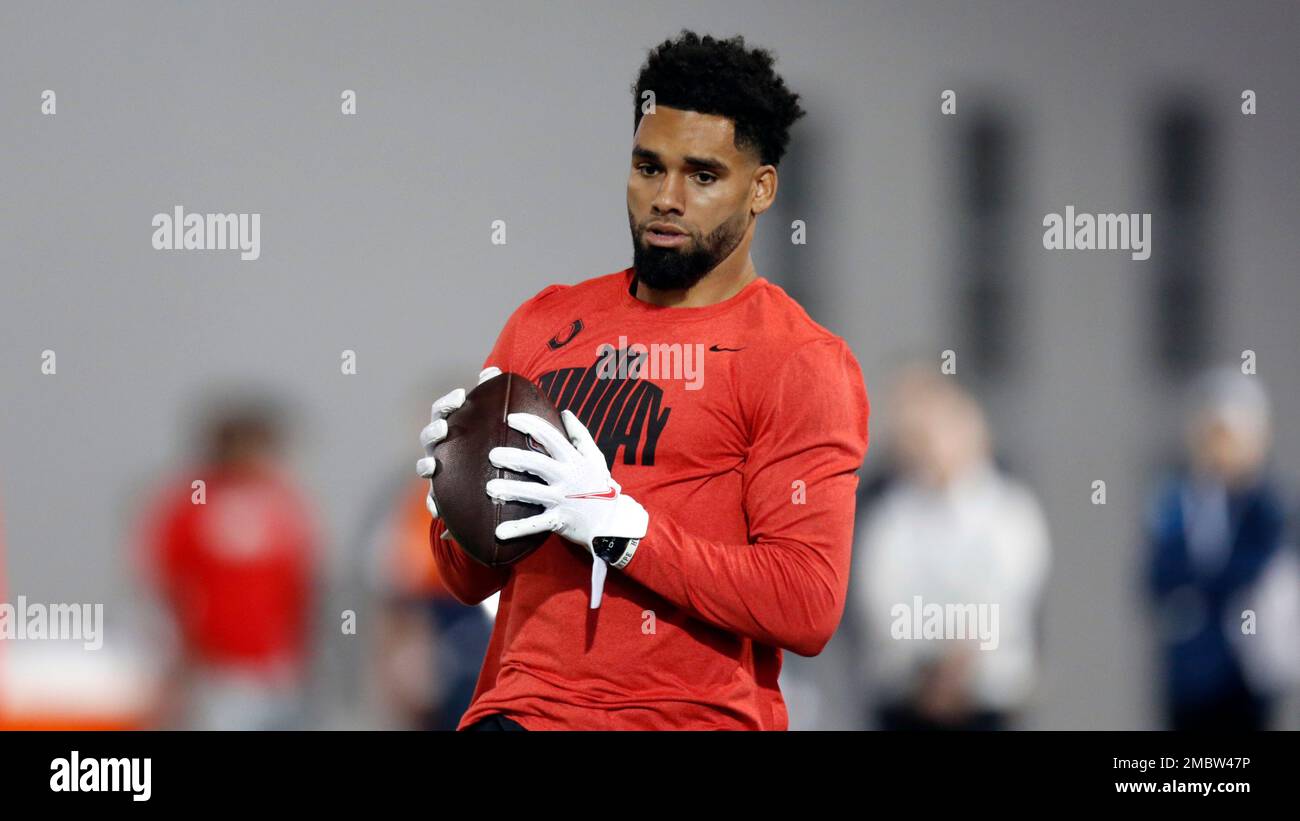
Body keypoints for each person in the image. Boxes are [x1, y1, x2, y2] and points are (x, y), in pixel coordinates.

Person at [416, 31, 870, 730]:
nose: (667, 197)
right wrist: (455, 500)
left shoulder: (798, 361)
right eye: (648, 167)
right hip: (523, 712)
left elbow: (807, 604)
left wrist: (626, 532)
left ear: (761, 188)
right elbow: (468, 576)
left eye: (703, 175)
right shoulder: (543, 323)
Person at [853, 367, 1050, 730]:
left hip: (987, 697)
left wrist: (958, 665)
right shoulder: (892, 514)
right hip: (906, 697)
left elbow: (1005, 594)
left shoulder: (1009, 510)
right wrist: (925, 667)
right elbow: (881, 598)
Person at [139, 398, 318, 730]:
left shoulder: (282, 501)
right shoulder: (192, 502)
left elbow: (300, 585)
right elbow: (166, 584)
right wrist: (178, 660)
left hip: (277, 670)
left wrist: (299, 656)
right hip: (216, 672)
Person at [1146, 368, 1286, 730]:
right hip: (1188, 677)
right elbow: (1156, 577)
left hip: (1245, 676)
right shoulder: (1178, 501)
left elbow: (1253, 573)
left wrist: (1199, 588)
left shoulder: (1266, 507)